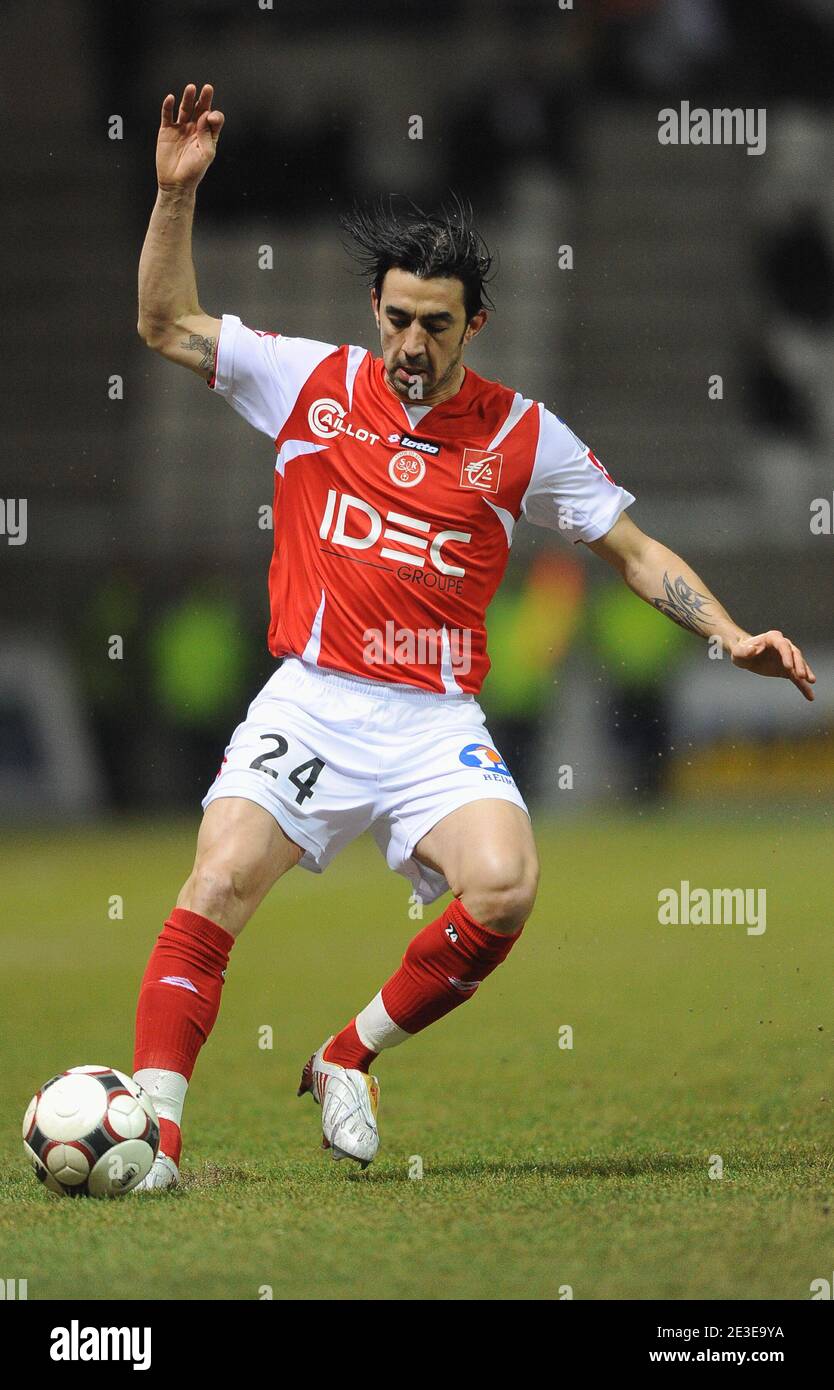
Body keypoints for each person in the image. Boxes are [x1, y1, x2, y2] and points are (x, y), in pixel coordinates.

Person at [132, 83, 816, 1188]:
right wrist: (175, 197)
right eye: (396, 318)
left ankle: (348, 1053)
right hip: (312, 696)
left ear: (474, 323)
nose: (410, 343)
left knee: (505, 884)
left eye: (435, 325)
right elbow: (164, 324)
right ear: (375, 309)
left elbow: (635, 551)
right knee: (214, 886)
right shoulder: (308, 380)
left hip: (431, 718)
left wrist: (728, 632)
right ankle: (152, 1134)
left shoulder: (520, 434)